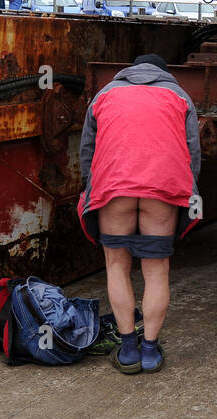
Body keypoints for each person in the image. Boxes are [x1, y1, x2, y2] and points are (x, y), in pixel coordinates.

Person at [78, 54, 200, 374]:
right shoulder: (179, 96)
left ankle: (128, 349)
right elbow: (192, 154)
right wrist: (189, 194)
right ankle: (150, 352)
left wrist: (90, 188)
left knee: (117, 265)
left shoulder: (103, 94)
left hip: (112, 187)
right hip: (162, 189)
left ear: (128, 70)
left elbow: (87, 151)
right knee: (156, 270)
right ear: (164, 72)